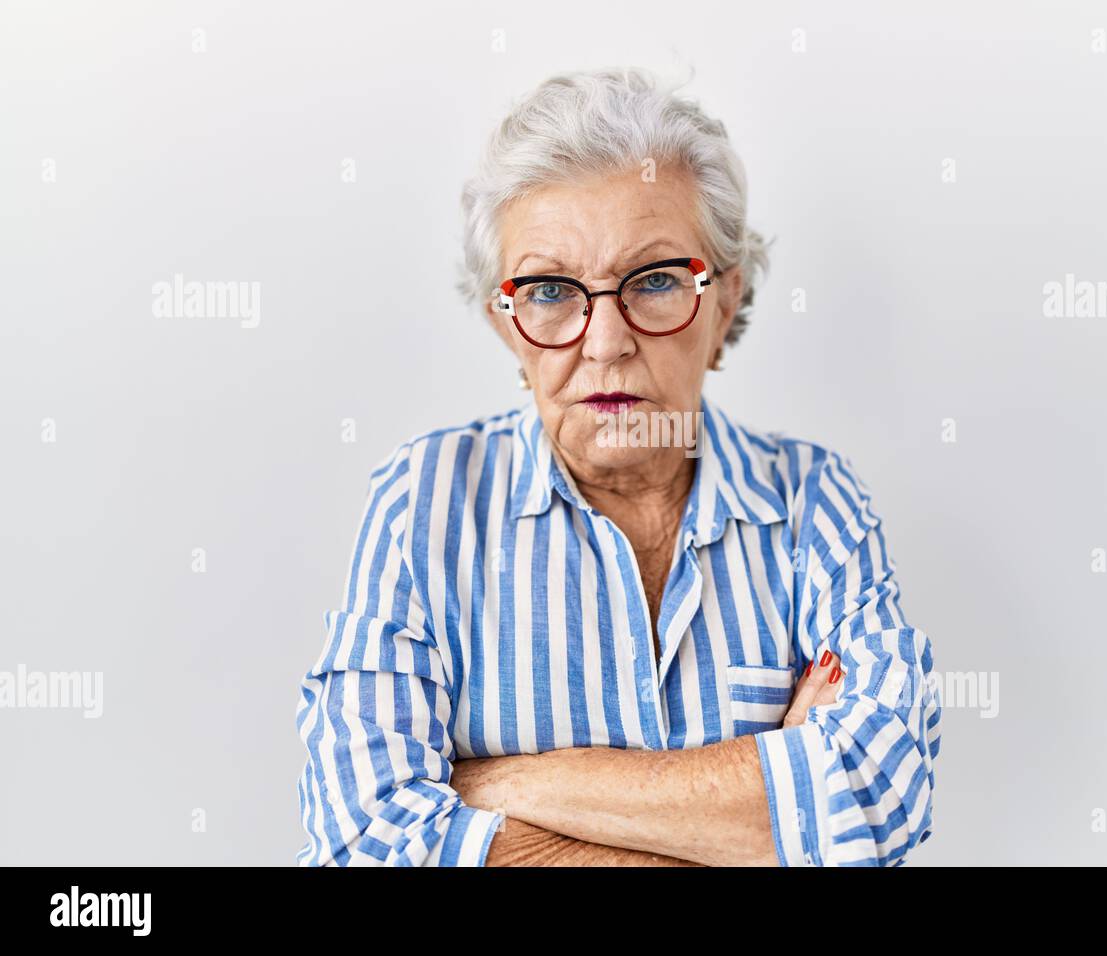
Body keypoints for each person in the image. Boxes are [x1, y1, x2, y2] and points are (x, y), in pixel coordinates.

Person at [294, 66, 941, 866]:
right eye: (550, 290)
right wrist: (760, 821)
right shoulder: (424, 503)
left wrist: (503, 784)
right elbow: (365, 840)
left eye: (658, 280)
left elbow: (875, 807)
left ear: (726, 299)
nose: (605, 343)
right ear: (505, 323)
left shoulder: (815, 502)